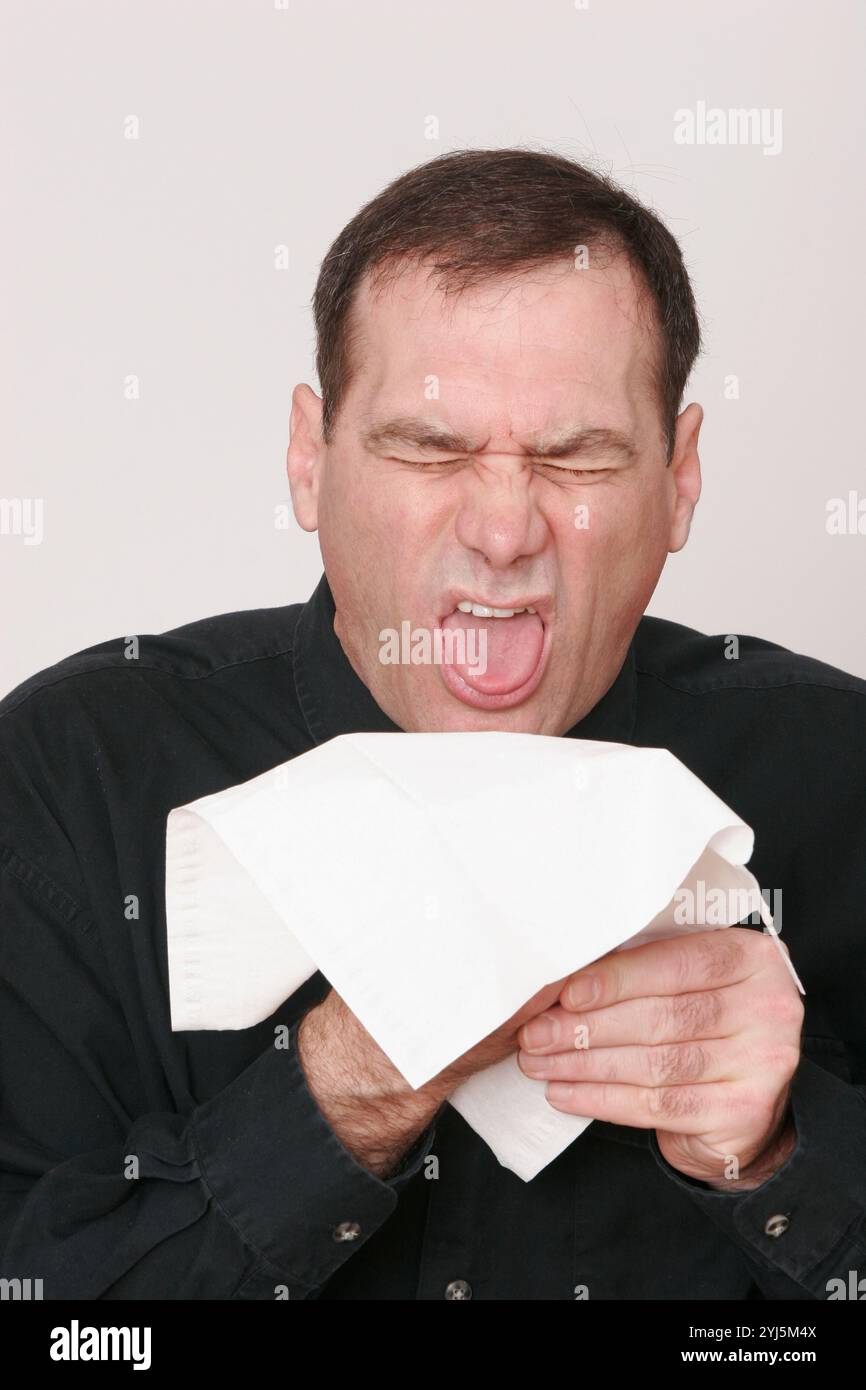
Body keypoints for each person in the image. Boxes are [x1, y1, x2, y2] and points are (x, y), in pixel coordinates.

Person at [1, 148, 863, 1301]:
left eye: (575, 456)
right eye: (427, 446)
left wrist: (781, 1158)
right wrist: (349, 1083)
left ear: (680, 480)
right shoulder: (70, 777)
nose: (503, 531)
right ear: (309, 460)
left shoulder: (839, 776)